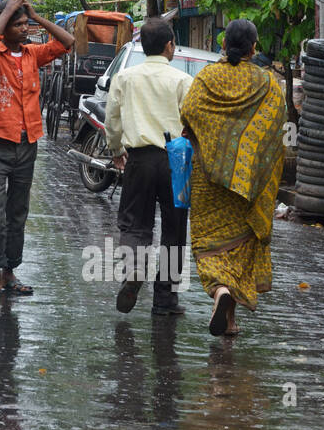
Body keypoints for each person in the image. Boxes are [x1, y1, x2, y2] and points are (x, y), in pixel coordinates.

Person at [180, 20, 286, 337]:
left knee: (208, 245)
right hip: (247, 184)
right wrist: (245, 161)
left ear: (223, 45)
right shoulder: (267, 83)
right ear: (254, 47)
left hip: (208, 182)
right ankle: (228, 313)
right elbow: (274, 125)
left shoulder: (207, 77)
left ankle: (220, 295)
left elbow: (189, 111)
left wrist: (213, 144)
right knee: (239, 247)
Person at [0, 0, 74, 297]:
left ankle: (10, 271)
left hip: (26, 141)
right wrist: (5, 11)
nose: (23, 29)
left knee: (18, 210)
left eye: (24, 23)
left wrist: (37, 16)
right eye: (16, 24)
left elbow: (67, 41)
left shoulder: (33, 54)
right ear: (4, 24)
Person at [105, 17, 193, 317]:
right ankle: (164, 299)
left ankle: (134, 271)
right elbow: (193, 124)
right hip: (175, 164)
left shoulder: (126, 78)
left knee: (135, 223)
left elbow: (112, 119)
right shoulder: (183, 81)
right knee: (174, 229)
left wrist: (116, 150)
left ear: (142, 46)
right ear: (170, 46)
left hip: (138, 159)